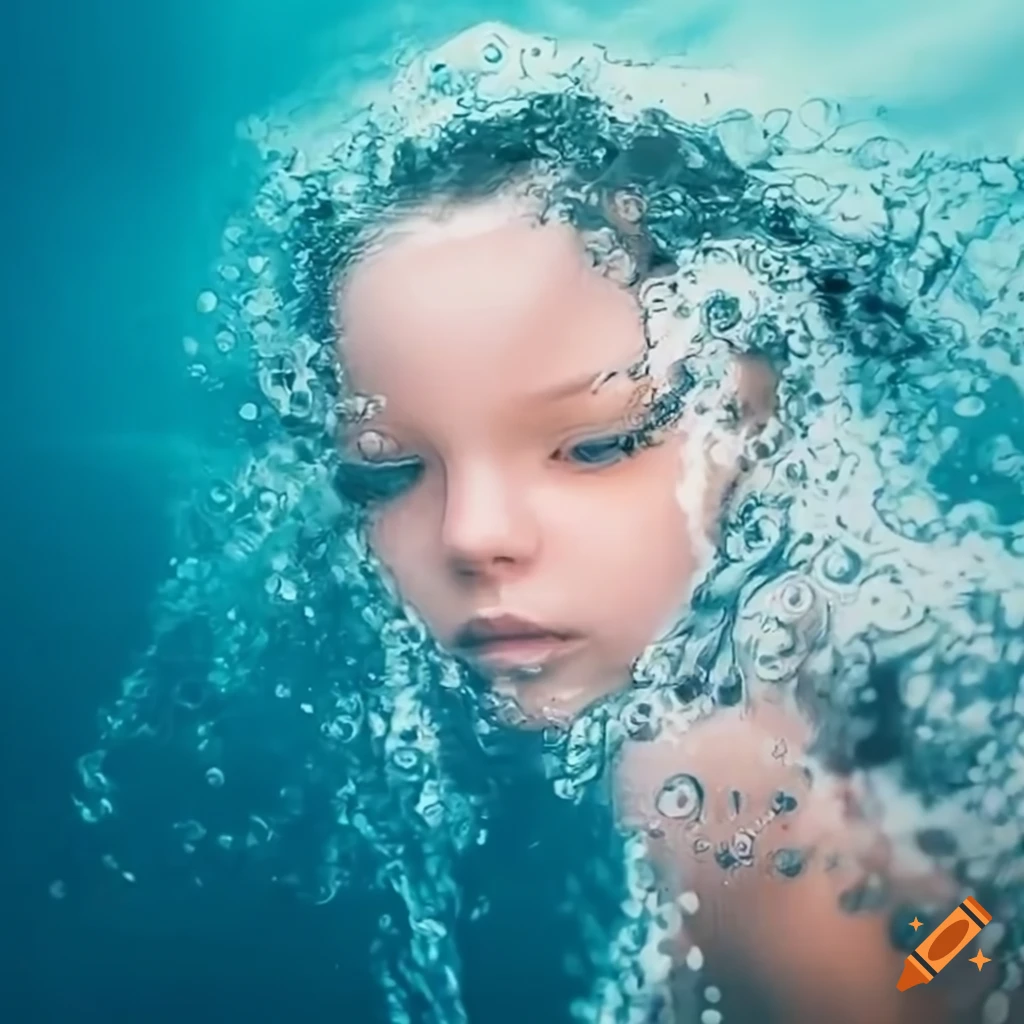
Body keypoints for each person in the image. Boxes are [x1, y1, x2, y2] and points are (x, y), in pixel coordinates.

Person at [310, 91, 999, 1022]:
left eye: (596, 445)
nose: (471, 536)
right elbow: (953, 951)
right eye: (384, 474)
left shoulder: (718, 781)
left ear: (756, 418)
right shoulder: (929, 626)